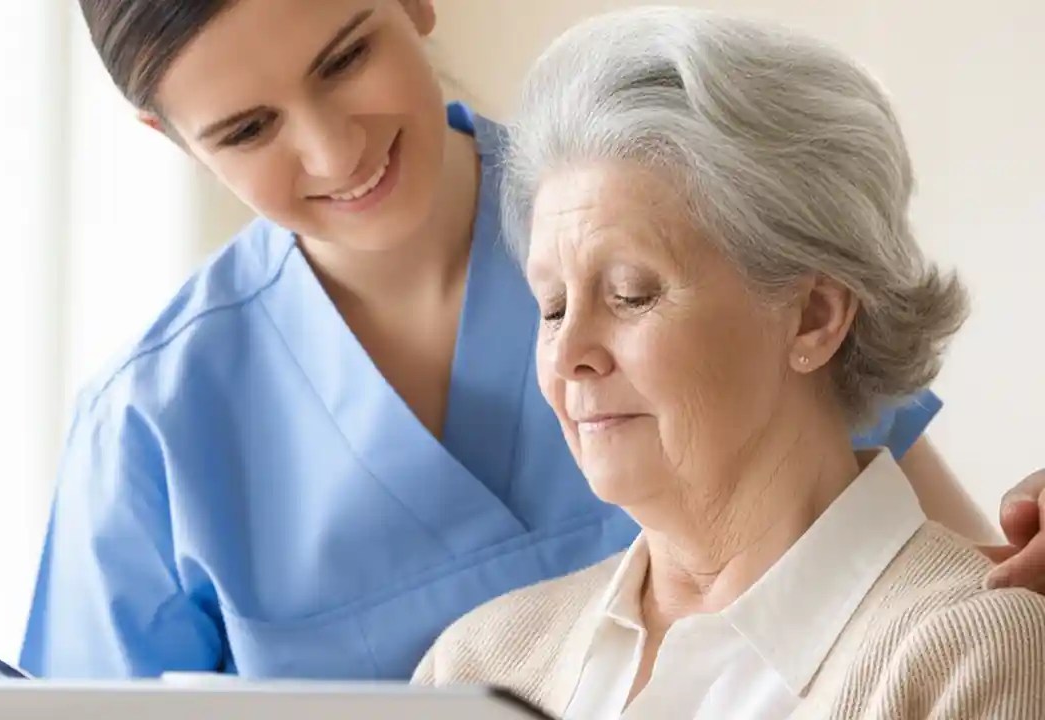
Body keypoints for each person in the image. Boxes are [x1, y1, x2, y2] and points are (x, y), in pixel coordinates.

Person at [0, 0, 1045, 718]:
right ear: (168, 141)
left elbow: (917, 575)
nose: (332, 148)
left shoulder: (667, 184)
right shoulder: (158, 423)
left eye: (341, 58)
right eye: (246, 128)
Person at [414, 8, 1045, 718]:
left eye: (630, 294)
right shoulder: (472, 668)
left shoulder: (975, 655)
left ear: (814, 316)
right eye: (553, 306)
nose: (568, 354)